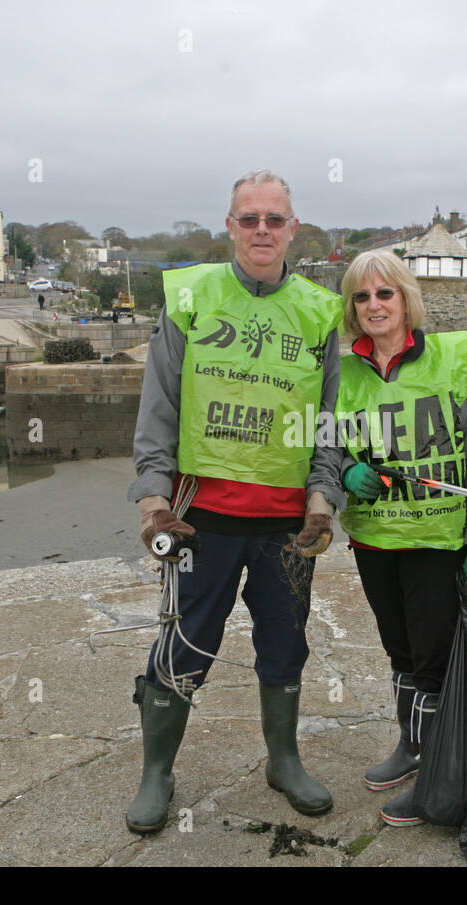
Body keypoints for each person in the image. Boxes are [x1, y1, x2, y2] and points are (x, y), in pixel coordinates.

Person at [124, 169, 345, 834]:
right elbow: (159, 407)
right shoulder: (190, 299)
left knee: (286, 643)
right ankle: (157, 771)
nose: (261, 230)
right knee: (185, 642)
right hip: (202, 517)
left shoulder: (318, 312)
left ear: (292, 229)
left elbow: (331, 421)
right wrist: (151, 502)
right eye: (248, 218)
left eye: (274, 219)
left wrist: (322, 500)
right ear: (229, 226)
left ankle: (283, 759)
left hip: (285, 523)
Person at [335, 248, 467, 827]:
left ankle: (437, 776)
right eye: (361, 296)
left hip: (435, 541)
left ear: (405, 299)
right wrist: (345, 474)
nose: (374, 305)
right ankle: (411, 745)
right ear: (352, 307)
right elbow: (325, 451)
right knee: (399, 651)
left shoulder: (449, 364)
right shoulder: (341, 372)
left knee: (432, 658)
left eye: (385, 293)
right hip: (376, 543)